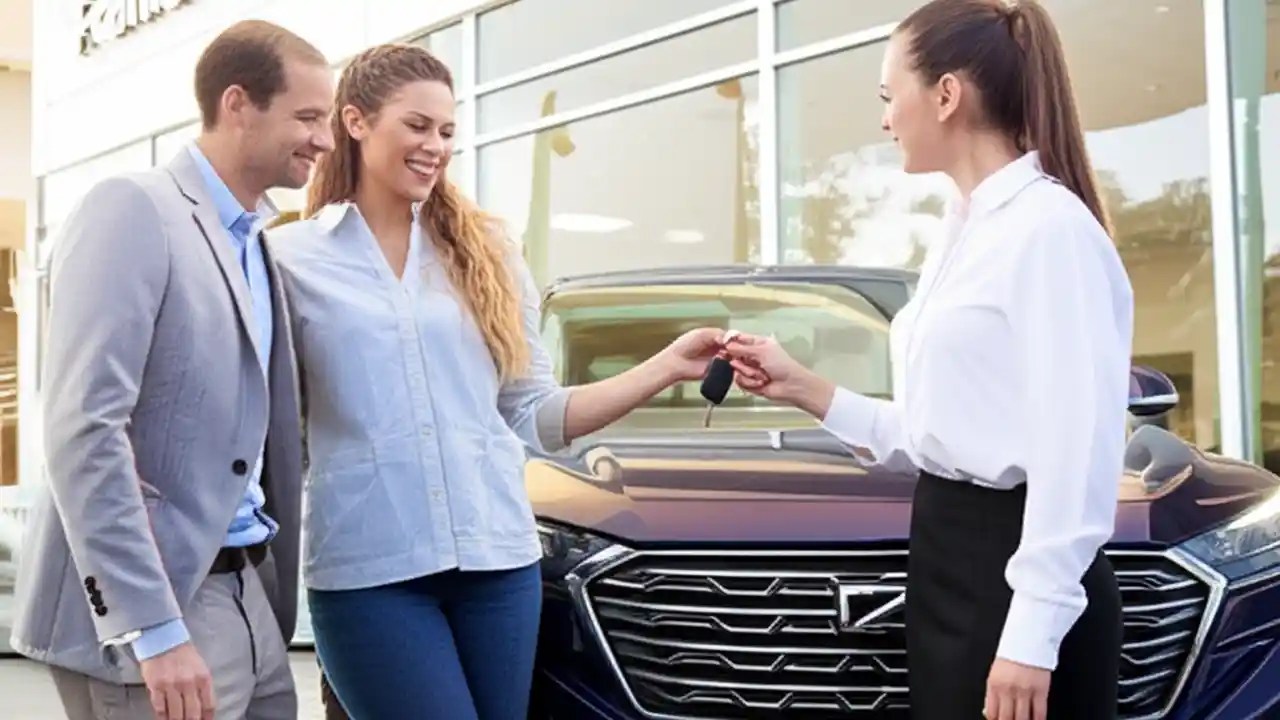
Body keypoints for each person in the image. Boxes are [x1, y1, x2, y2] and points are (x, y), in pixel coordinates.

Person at [268, 43, 730, 720]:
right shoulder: (291, 258)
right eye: (417, 126)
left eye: (447, 132)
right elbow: (274, 428)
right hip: (369, 573)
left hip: (498, 567)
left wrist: (666, 368)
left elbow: (535, 414)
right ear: (357, 122)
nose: (436, 146)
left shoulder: (487, 249)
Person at [724, 1, 1131, 719]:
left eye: (889, 96)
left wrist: (1032, 636)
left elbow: (1078, 452)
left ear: (947, 95)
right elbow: (942, 437)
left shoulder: (1049, 232)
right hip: (949, 558)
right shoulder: (961, 231)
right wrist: (807, 389)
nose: (884, 121)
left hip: (1013, 581)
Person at [9, 20, 336, 720]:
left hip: (252, 594)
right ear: (238, 104)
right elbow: (84, 428)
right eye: (308, 117)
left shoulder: (257, 244)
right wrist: (150, 627)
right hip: (165, 608)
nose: (326, 140)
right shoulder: (133, 209)